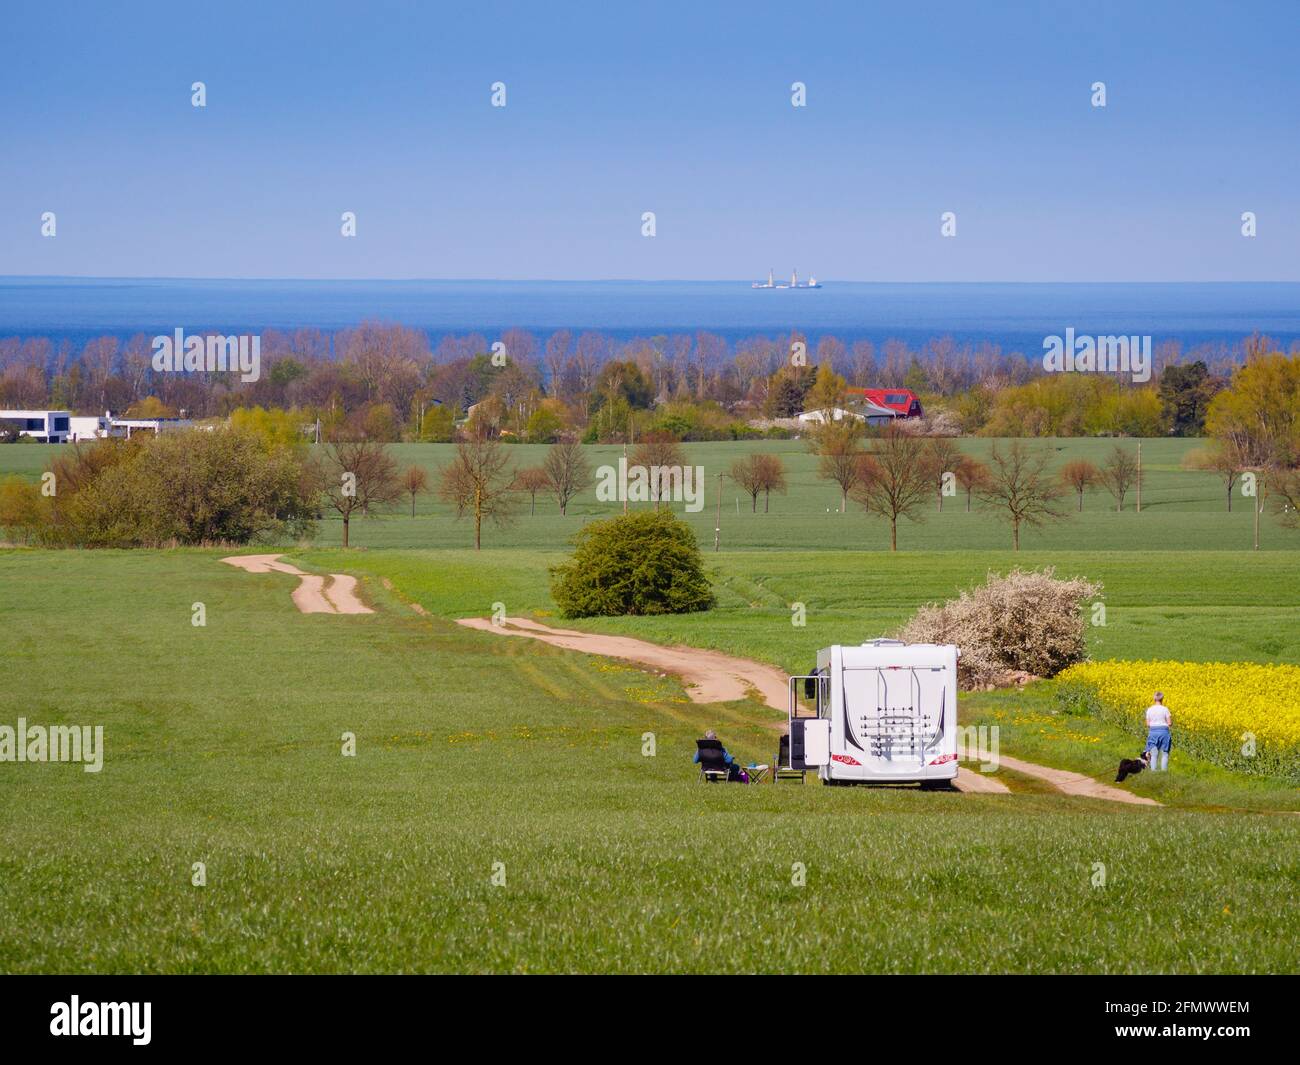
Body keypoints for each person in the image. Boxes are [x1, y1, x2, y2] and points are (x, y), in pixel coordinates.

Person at [1143, 691, 1172, 772]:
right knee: (1165, 754)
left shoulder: (1149, 710)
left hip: (1153, 732)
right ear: (1162, 698)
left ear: (1154, 699)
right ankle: (1163, 772)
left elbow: (1148, 724)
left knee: (1154, 754)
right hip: (1164, 732)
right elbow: (1169, 723)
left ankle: (1153, 772)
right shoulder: (1165, 709)